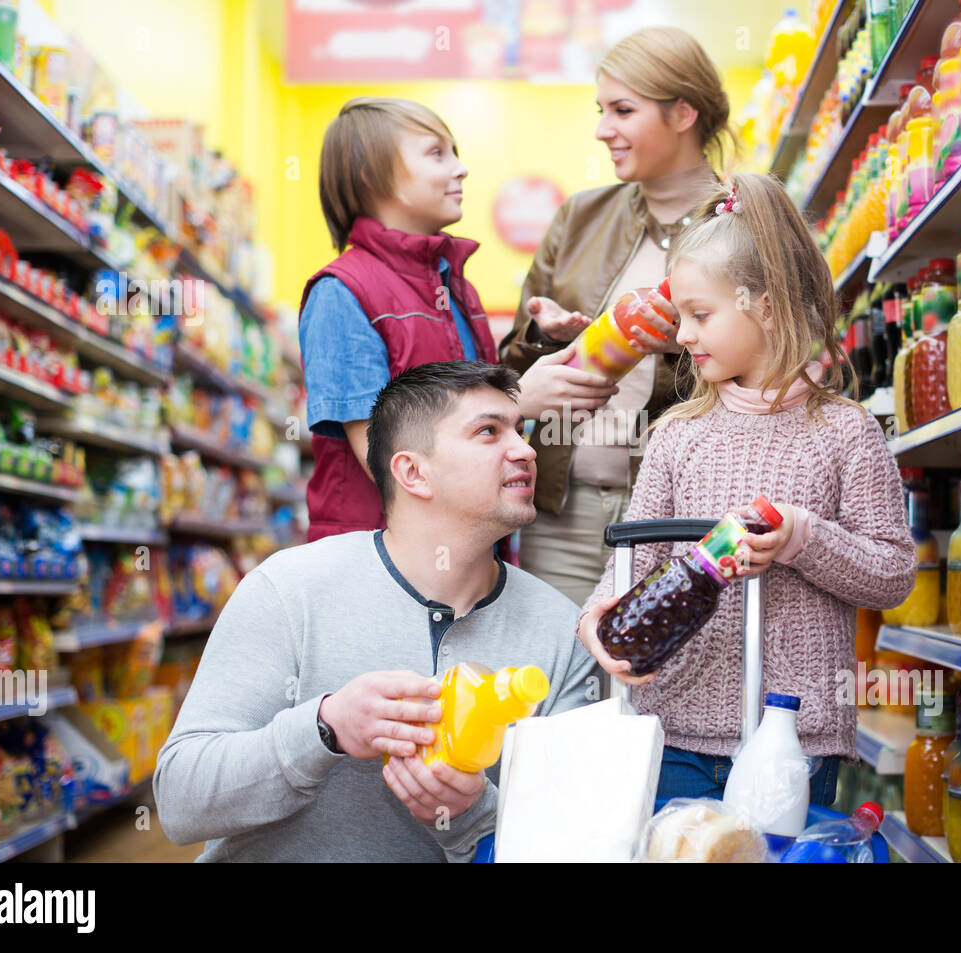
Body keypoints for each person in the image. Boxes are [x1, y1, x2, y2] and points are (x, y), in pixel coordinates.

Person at [155, 362, 599, 862]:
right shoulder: (288, 590)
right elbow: (180, 801)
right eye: (488, 432)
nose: (525, 450)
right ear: (413, 472)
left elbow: (573, 840)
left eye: (520, 430)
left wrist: (473, 813)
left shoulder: (563, 633)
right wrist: (325, 728)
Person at [576, 174, 917, 807]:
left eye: (700, 315)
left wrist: (801, 538)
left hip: (795, 741)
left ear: (765, 305)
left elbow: (892, 574)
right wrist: (600, 618)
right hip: (674, 733)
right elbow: (635, 563)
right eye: (680, 315)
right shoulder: (678, 436)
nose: (681, 334)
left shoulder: (845, 431)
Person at [299, 97, 617, 542]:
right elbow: (382, 457)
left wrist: (540, 343)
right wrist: (515, 406)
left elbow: (465, 401)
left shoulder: (455, 286)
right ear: (372, 175)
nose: (461, 168)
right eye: (436, 153)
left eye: (455, 152)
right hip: (381, 563)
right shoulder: (341, 292)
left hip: (462, 552)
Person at [498, 26, 735, 604]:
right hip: (564, 511)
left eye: (623, 110)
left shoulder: (745, 225)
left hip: (687, 512)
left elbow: (791, 367)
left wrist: (688, 343)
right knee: (567, 682)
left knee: (669, 681)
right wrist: (540, 336)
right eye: (601, 110)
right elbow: (507, 364)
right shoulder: (578, 219)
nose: (604, 129)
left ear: (683, 113)